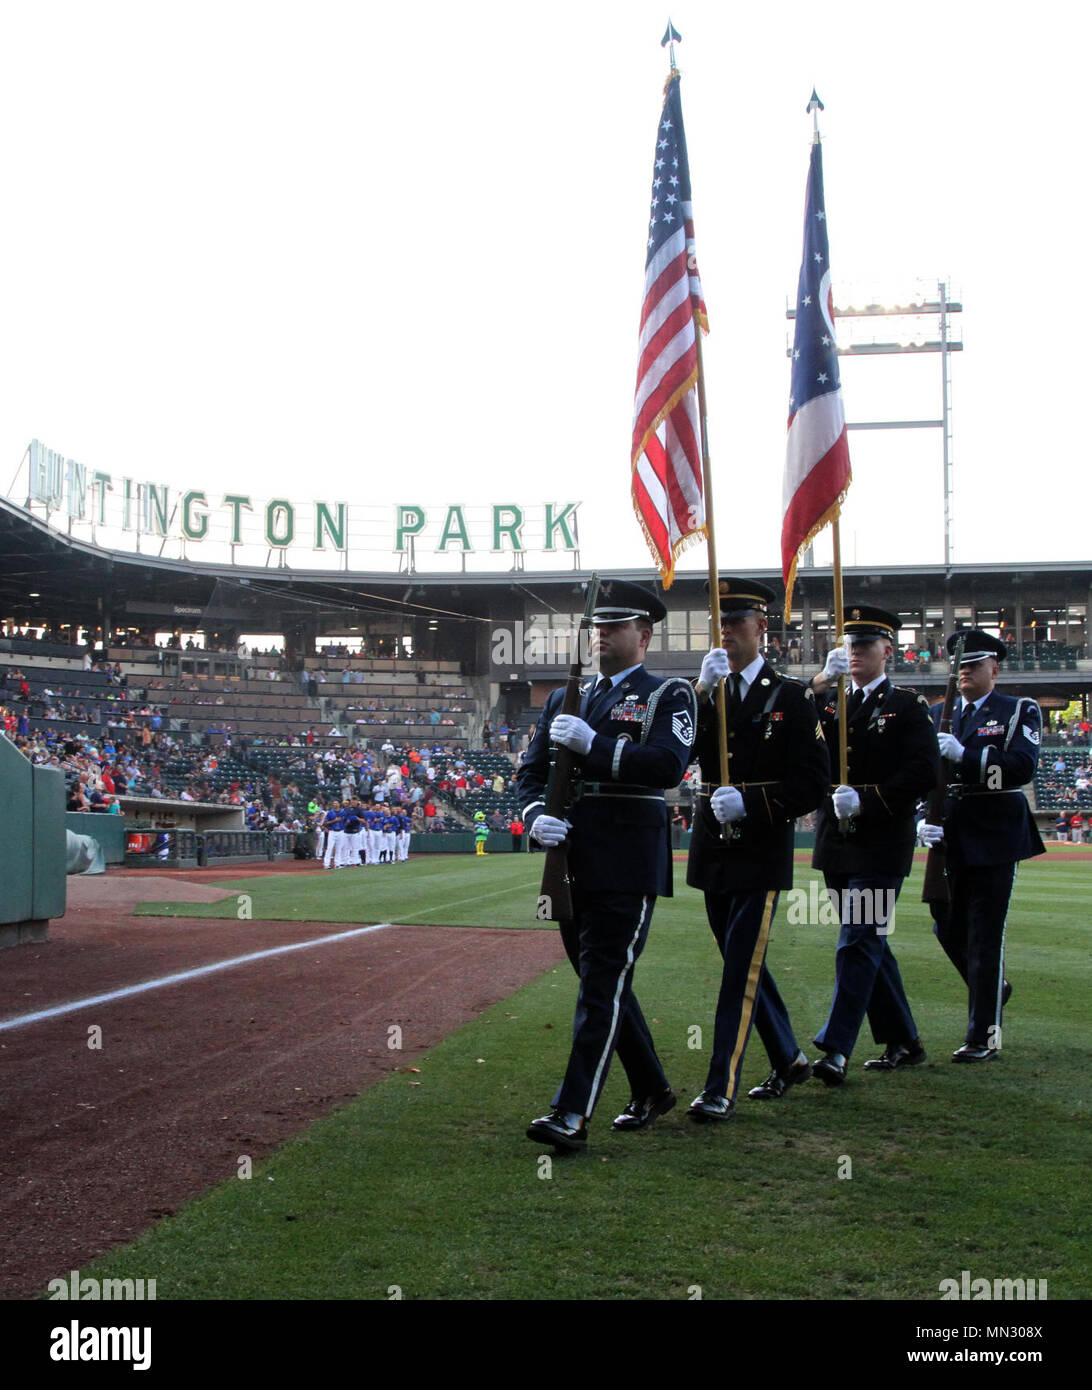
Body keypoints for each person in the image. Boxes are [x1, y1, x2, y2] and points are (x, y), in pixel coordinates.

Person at [515, 579, 698, 1151]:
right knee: (604, 981)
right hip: (571, 859)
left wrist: (598, 744)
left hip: (627, 860)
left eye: (614, 627)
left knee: (600, 985)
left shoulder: (670, 693)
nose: (601, 634)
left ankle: (571, 1113)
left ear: (643, 636)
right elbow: (530, 772)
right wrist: (535, 812)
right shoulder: (564, 697)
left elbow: (668, 765)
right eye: (597, 626)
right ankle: (652, 1088)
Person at [685, 578, 829, 1121]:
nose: (725, 632)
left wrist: (751, 805)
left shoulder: (789, 696)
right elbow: (682, 753)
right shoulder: (708, 691)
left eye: (735, 621)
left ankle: (720, 1082)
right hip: (712, 849)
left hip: (759, 849)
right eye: (719, 622)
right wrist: (698, 692)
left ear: (761, 627)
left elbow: (812, 783)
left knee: (737, 972)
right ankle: (789, 1058)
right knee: (743, 965)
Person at [807, 605, 938, 1084]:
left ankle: (836, 1046)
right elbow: (786, 718)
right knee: (870, 942)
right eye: (848, 644)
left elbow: (924, 772)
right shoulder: (827, 700)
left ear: (888, 650)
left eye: (865, 645)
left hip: (882, 842)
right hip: (836, 842)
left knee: (858, 939)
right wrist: (821, 680)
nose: (855, 652)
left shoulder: (906, 705)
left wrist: (866, 800)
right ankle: (904, 1039)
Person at [920, 630, 1045, 1061]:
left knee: (985, 938)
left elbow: (1018, 771)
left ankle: (983, 1038)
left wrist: (967, 757)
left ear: (995, 667)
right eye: (960, 665)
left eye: (975, 664)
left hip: (994, 834)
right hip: (948, 834)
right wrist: (923, 818)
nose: (965, 671)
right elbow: (926, 775)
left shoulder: (1017, 711)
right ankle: (994, 987)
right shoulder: (938, 713)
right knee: (947, 926)